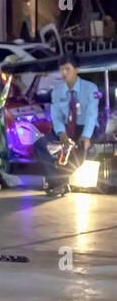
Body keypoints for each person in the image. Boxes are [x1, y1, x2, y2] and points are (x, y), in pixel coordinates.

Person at [33, 54, 101, 196]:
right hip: (66, 128)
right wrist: (61, 133)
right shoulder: (57, 92)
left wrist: (86, 136)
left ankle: (60, 182)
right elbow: (56, 116)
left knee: (80, 149)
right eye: (62, 69)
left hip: (86, 128)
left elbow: (91, 114)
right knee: (39, 145)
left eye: (67, 69)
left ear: (76, 70)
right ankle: (56, 182)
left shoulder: (90, 88)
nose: (64, 73)